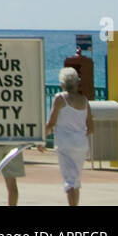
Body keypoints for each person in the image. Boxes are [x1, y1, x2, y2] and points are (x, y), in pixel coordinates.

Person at [42, 66, 93, 206]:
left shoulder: (60, 98)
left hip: (65, 144)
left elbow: (51, 122)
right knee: (75, 181)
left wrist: (42, 140)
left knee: (69, 181)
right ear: (77, 82)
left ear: (62, 83)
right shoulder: (84, 100)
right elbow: (90, 127)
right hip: (81, 144)